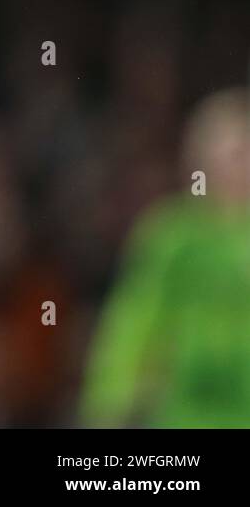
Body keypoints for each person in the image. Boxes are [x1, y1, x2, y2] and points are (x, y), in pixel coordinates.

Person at [80, 87, 250, 428]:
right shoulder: (171, 235)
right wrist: (109, 401)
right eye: (233, 154)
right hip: (184, 416)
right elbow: (133, 320)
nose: (241, 166)